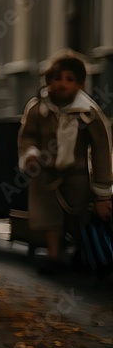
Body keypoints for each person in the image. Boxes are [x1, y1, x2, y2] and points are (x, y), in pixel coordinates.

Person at [17, 51, 112, 275]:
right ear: (48, 82)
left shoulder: (88, 113)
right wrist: (30, 154)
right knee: (50, 216)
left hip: (76, 173)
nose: (61, 84)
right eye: (56, 79)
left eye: (69, 79)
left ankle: (80, 252)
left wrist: (102, 191)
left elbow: (100, 149)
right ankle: (53, 255)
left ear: (80, 83)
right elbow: (28, 135)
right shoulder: (38, 108)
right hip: (45, 173)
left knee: (78, 214)